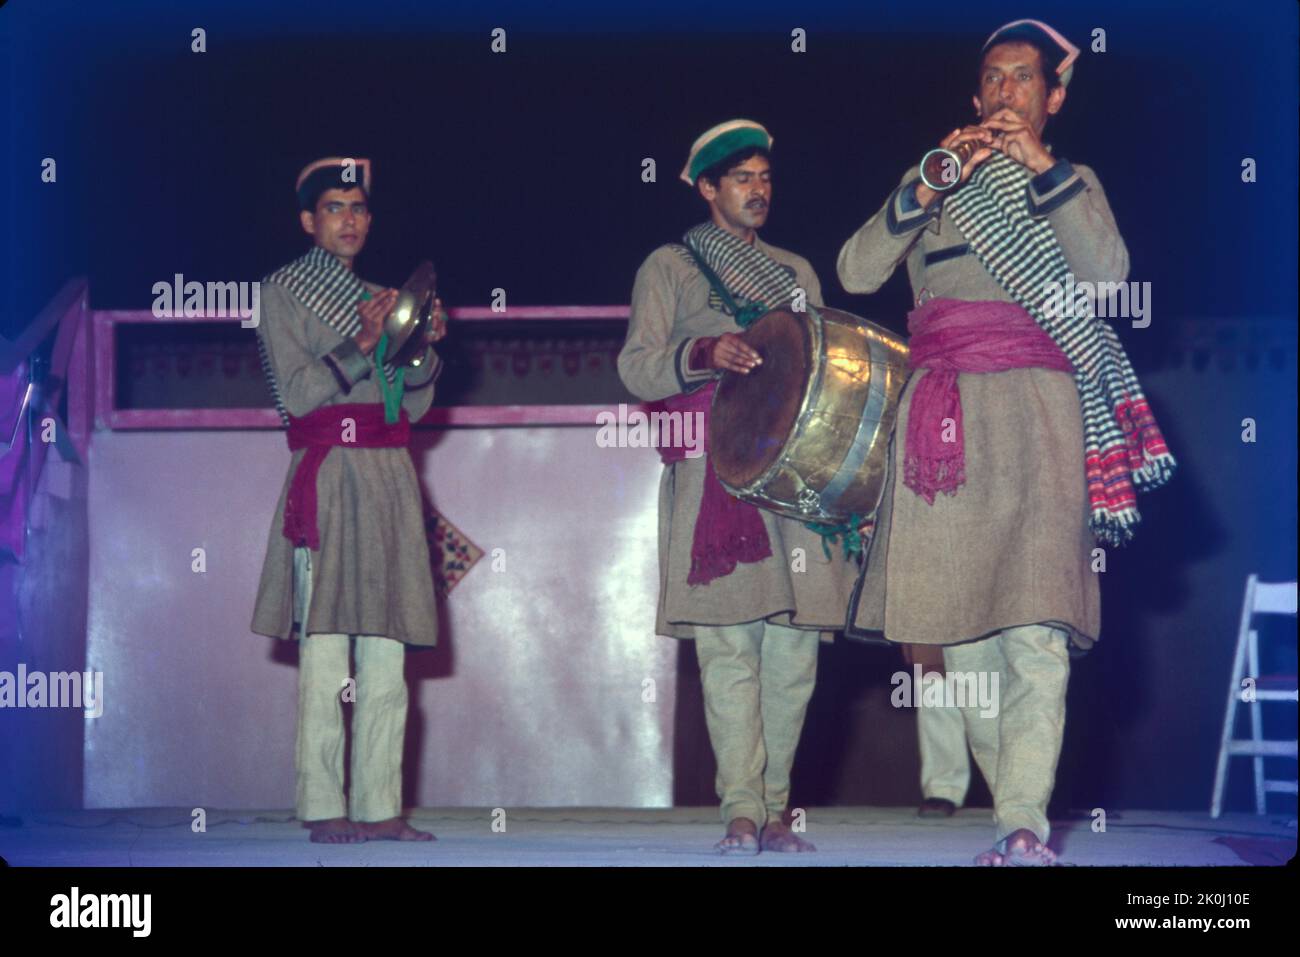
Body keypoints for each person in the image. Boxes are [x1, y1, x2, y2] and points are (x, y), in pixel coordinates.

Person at [838, 22, 1174, 864]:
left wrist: (1043, 171)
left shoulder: (1072, 180)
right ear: (974, 93)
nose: (1004, 95)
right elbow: (853, 271)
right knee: (960, 634)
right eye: (993, 80)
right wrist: (920, 186)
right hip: (943, 419)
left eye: (1023, 81)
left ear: (1052, 98)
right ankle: (1012, 813)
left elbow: (1107, 279)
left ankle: (1021, 821)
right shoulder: (939, 180)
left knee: (1037, 624)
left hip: (1042, 415)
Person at [619, 120, 857, 855]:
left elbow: (829, 367)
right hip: (711, 472)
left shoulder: (797, 273)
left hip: (791, 474)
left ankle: (778, 809)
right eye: (742, 179)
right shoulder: (670, 265)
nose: (758, 191)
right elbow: (636, 366)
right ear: (706, 188)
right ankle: (741, 812)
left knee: (793, 650)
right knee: (728, 649)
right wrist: (700, 352)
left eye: (765, 178)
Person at [250, 157, 447, 844]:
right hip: (328, 475)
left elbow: (413, 406)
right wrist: (367, 342)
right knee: (327, 653)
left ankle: (381, 806)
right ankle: (324, 806)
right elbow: (300, 394)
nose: (350, 219)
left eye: (359, 207)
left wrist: (422, 348)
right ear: (309, 221)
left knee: (388, 655)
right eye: (335, 207)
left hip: (389, 473)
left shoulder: (384, 298)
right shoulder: (281, 291)